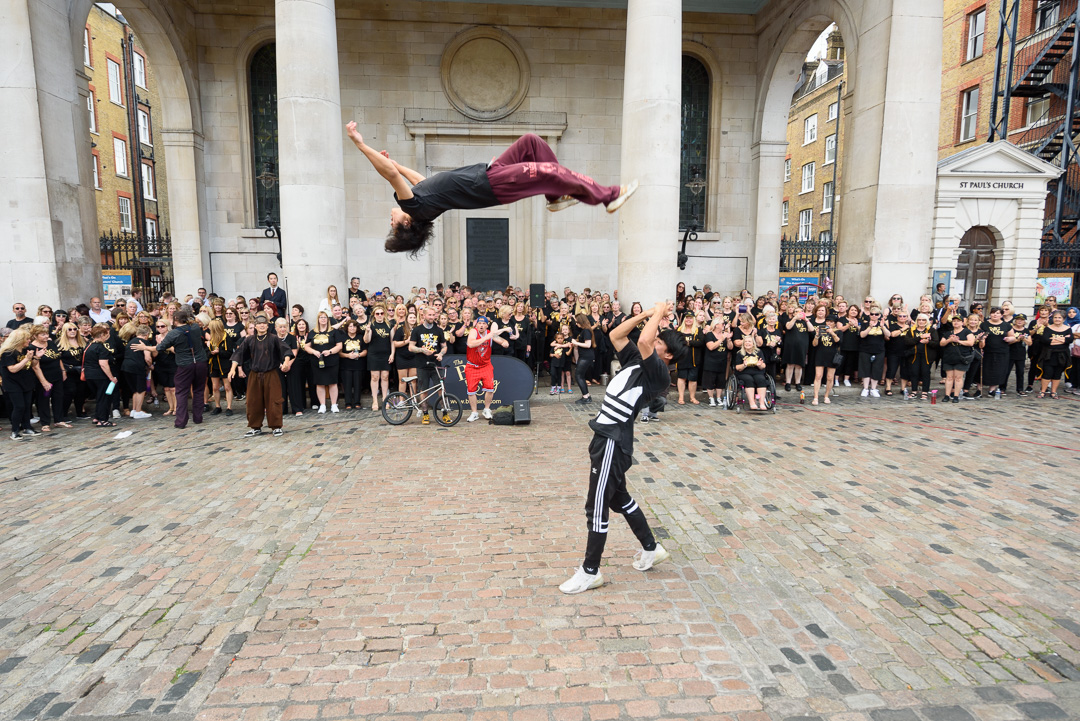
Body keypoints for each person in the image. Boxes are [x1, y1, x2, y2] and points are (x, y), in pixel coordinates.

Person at [347, 123, 638, 255]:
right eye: (393, 226)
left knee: (531, 143)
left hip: (490, 171)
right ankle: (609, 196)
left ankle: (556, 196)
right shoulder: (413, 207)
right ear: (407, 223)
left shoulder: (421, 204)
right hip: (491, 184)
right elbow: (389, 175)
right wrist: (361, 145)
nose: (391, 219)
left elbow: (417, 179)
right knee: (552, 172)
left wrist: (395, 164)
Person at [559, 300, 686, 595]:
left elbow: (643, 339)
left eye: (659, 341)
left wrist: (658, 312)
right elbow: (617, 334)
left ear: (666, 354)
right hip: (606, 438)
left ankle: (590, 571)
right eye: (655, 337)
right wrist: (644, 314)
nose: (653, 340)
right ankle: (651, 548)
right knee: (618, 499)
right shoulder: (637, 360)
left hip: (613, 443)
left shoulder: (659, 373)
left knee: (597, 506)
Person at [228, 313, 294, 437]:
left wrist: (286, 362)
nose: (262, 326)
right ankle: (255, 427)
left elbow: (286, 351)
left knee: (274, 401)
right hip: (254, 374)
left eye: (264, 323)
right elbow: (239, 354)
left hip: (271, 374)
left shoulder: (274, 338)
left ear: (268, 326)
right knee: (253, 401)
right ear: (255, 326)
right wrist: (233, 369)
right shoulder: (249, 340)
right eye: (259, 324)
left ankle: (276, 426)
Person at [156, 307, 209, 428]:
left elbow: (160, 348)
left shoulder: (174, 333)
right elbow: (195, 323)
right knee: (198, 390)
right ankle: (198, 417)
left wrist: (160, 341)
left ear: (175, 320)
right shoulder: (195, 328)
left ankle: (181, 421)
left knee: (181, 392)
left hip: (185, 364)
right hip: (200, 362)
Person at [464, 315, 512, 422]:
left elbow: (501, 341)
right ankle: (474, 412)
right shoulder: (473, 332)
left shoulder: (490, 334)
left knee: (490, 387)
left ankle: (486, 409)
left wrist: (504, 343)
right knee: (471, 390)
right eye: (479, 323)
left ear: (487, 325)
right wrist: (487, 337)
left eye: (483, 324)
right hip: (472, 366)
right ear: (476, 325)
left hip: (485, 365)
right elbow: (471, 344)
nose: (481, 325)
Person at [408, 306, 448, 424]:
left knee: (441, 390)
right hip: (422, 364)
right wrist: (422, 350)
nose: (432, 317)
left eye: (433, 315)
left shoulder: (439, 330)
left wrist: (441, 354)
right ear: (424, 316)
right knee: (423, 390)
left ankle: (445, 413)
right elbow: (410, 347)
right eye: (429, 315)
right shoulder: (417, 330)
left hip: (436, 365)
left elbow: (444, 346)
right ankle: (425, 414)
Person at [2, 327, 40, 439]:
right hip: (12, 384)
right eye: (27, 339)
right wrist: (26, 359)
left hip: (26, 382)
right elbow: (13, 369)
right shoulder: (8, 353)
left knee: (27, 406)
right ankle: (15, 430)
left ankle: (27, 427)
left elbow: (31, 365)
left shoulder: (25, 350)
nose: (29, 341)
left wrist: (37, 357)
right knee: (19, 406)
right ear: (19, 339)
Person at [83, 324, 119, 428]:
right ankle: (103, 419)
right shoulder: (100, 347)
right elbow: (103, 364)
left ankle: (97, 416)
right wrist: (111, 377)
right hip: (100, 376)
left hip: (90, 375)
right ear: (102, 335)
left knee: (99, 397)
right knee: (104, 397)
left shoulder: (88, 346)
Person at [306, 311, 342, 413]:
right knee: (319, 383)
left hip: (332, 360)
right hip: (317, 361)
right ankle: (322, 405)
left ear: (328, 319)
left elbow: (339, 346)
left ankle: (334, 404)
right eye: (321, 317)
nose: (323, 319)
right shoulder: (313, 332)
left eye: (325, 317)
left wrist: (330, 351)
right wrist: (314, 351)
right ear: (318, 319)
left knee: (333, 383)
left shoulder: (334, 331)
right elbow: (306, 346)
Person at [1035, 310, 1075, 398]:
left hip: (1062, 355)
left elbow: (1070, 340)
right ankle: (1043, 391)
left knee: (1057, 374)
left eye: (1059, 318)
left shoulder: (1068, 329)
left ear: (1063, 319)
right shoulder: (1048, 329)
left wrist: (1054, 339)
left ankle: (1053, 392)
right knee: (1047, 373)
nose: (1057, 319)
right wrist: (1063, 339)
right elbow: (1045, 341)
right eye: (1055, 317)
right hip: (1049, 355)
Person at [939, 313, 976, 403]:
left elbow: (971, 343)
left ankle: (956, 396)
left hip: (961, 357)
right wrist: (949, 340)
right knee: (949, 377)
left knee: (958, 377)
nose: (956, 323)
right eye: (954, 321)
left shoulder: (967, 332)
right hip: (949, 357)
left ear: (962, 323)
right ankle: (947, 395)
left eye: (958, 321)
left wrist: (958, 341)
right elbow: (941, 343)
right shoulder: (948, 333)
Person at [364, 307, 393, 411]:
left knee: (385, 377)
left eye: (381, 313)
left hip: (386, 354)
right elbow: (366, 341)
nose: (380, 315)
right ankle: (375, 400)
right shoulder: (371, 325)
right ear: (374, 315)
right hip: (374, 354)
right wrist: (367, 332)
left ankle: (385, 399)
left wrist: (392, 354)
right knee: (375, 377)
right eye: (377, 313)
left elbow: (392, 341)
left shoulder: (389, 325)